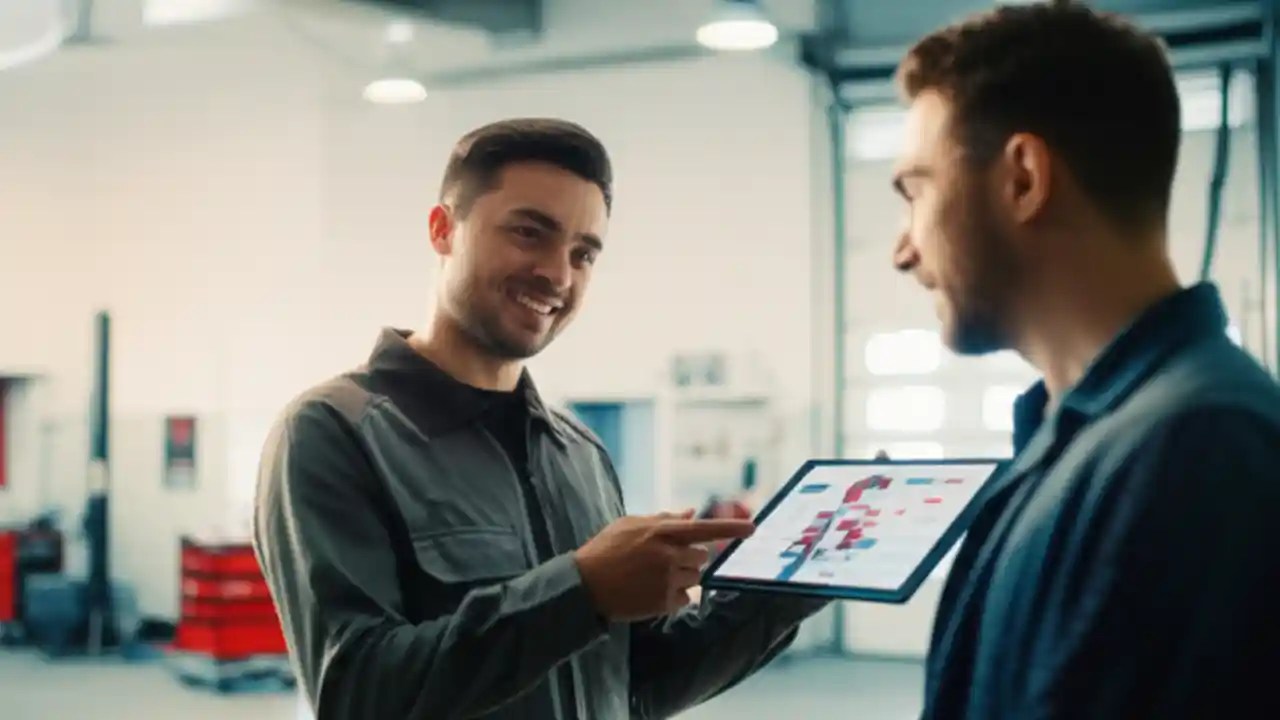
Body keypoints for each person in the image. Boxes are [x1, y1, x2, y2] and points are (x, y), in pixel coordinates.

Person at [253, 118, 826, 720]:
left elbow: (634, 685)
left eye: (584, 253)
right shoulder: (331, 432)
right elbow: (357, 693)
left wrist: (785, 588)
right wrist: (583, 591)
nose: (559, 275)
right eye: (530, 233)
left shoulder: (578, 452)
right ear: (443, 229)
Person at [890, 2, 1280, 718]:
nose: (902, 251)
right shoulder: (1082, 442)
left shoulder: (1197, 451)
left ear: (1024, 178)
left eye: (916, 191)